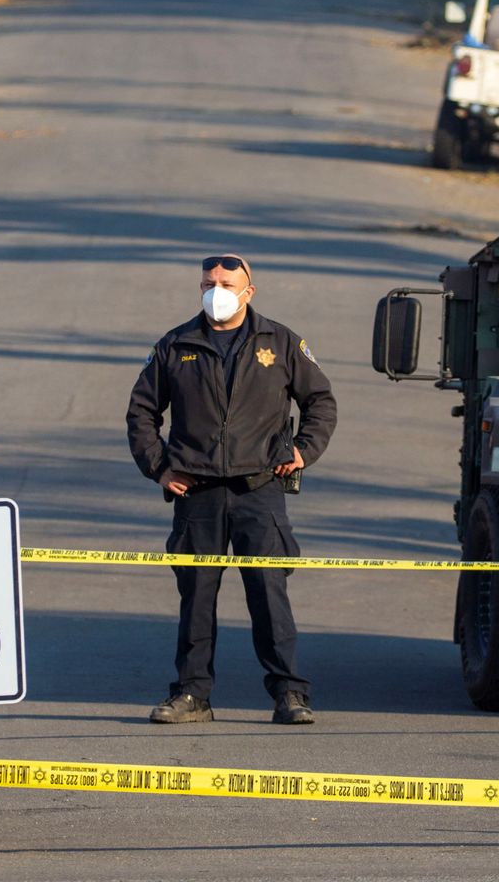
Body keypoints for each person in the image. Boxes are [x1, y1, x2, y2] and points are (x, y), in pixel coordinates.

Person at [126, 253, 337, 726]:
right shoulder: (176, 344)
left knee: (268, 594)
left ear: (249, 291)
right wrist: (159, 468)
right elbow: (141, 413)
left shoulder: (280, 342)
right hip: (195, 491)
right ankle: (191, 695)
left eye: (225, 282)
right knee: (196, 597)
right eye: (208, 282)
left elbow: (320, 401)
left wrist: (303, 450)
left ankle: (290, 694)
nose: (215, 290)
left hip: (259, 488)